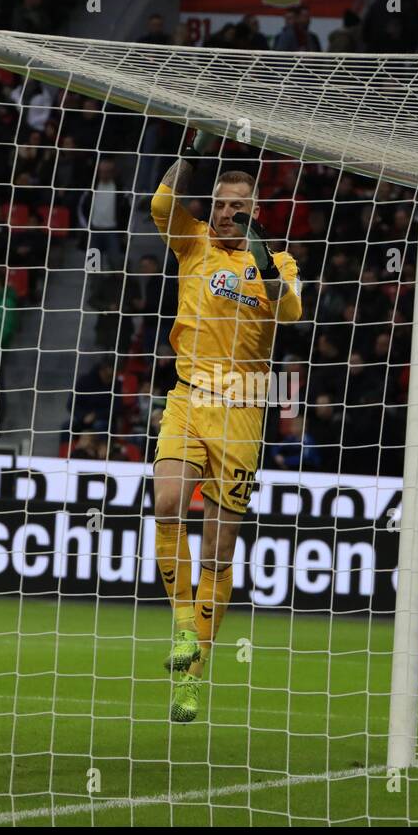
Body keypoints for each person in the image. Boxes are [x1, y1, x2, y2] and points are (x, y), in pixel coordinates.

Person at [148, 127, 302, 722]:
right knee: (165, 500)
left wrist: (262, 257)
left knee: (218, 543)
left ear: (256, 209)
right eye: (220, 203)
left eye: (239, 204)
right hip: (188, 395)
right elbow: (162, 206)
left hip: (244, 404)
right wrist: (188, 152)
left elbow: (290, 310)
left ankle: (193, 672)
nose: (228, 211)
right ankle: (183, 628)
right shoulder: (194, 245)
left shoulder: (276, 259)